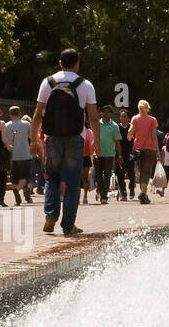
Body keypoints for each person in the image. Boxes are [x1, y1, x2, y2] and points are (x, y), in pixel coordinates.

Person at [31, 47, 100, 235]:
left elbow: (38, 113)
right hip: (75, 138)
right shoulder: (85, 85)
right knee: (71, 181)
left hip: (52, 137)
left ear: (60, 63)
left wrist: (35, 139)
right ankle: (68, 225)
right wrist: (97, 142)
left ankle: (50, 215)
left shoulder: (48, 82)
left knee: (51, 177)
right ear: (77, 64)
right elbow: (93, 117)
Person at [126, 99, 160, 204]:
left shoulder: (135, 119)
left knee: (141, 171)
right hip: (150, 149)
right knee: (147, 171)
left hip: (137, 149)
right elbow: (154, 136)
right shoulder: (152, 119)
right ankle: (143, 193)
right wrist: (157, 150)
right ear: (147, 108)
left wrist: (130, 137)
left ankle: (144, 194)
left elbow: (130, 132)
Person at [2, 106, 34, 205]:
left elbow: (5, 140)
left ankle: (16, 189)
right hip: (25, 154)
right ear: (19, 113)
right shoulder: (26, 124)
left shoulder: (7, 125)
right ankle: (18, 189)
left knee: (14, 177)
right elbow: (32, 137)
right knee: (25, 176)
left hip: (12, 155)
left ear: (10, 114)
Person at [95, 105, 122, 205]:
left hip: (109, 154)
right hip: (97, 154)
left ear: (111, 114)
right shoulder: (96, 124)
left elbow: (117, 142)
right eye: (104, 112)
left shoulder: (114, 126)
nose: (106, 114)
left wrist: (119, 155)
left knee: (107, 175)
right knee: (98, 176)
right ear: (100, 113)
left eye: (108, 112)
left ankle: (104, 196)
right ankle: (101, 191)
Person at [117, 108, 135, 200]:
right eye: (121, 116)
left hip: (130, 153)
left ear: (128, 118)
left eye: (124, 116)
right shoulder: (117, 127)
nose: (122, 118)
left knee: (131, 172)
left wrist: (133, 152)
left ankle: (132, 189)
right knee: (120, 173)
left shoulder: (132, 127)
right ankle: (123, 193)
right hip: (120, 154)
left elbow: (135, 141)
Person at [80, 123, 94, 203]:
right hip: (76, 157)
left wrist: (92, 152)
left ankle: (85, 196)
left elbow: (91, 143)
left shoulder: (88, 132)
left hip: (85, 157)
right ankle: (76, 196)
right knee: (76, 178)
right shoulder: (75, 130)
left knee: (84, 178)